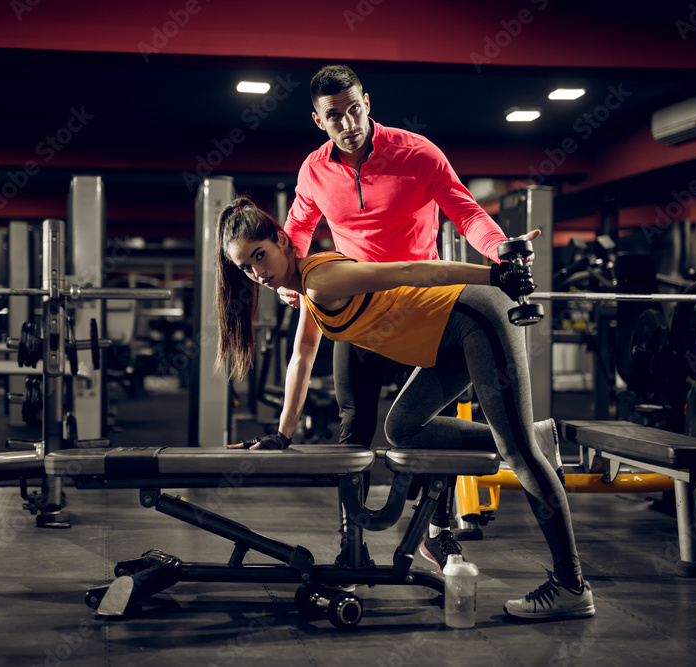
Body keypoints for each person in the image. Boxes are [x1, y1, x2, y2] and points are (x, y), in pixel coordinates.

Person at [215, 197, 594, 620]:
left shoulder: (322, 278)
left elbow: (412, 271)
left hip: (479, 317)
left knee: (518, 453)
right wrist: (281, 434)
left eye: (260, 256)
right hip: (451, 341)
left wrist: (495, 274)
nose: (258, 273)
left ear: (284, 241)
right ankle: (533, 437)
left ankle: (571, 585)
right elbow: (301, 356)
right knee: (404, 428)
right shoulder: (307, 287)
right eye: (246, 267)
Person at [277, 64, 562, 576]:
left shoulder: (416, 152)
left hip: (425, 306)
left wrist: (499, 250)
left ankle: (440, 532)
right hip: (364, 315)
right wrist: (288, 280)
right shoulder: (312, 172)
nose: (349, 123)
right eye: (334, 116)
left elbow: (467, 212)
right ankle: (353, 548)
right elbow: (298, 227)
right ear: (318, 121)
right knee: (355, 434)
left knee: (419, 429)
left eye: (355, 109)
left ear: (368, 101)